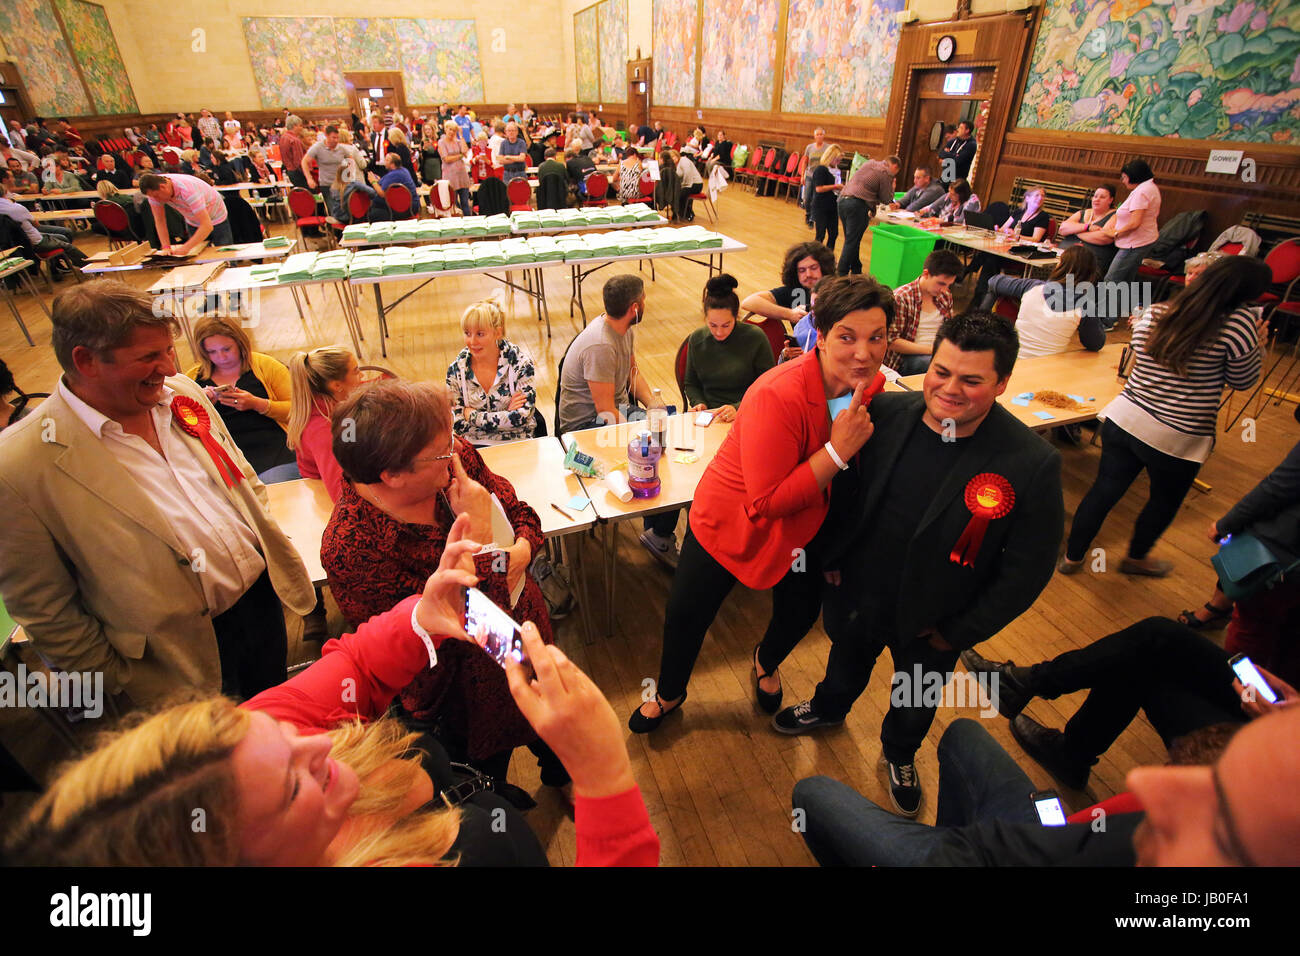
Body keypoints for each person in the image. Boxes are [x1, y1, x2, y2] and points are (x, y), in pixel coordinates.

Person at [6, 529, 660, 866]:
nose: (319, 741)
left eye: (283, 736)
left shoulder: (233, 752)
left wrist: (420, 615)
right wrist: (602, 775)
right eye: (296, 784)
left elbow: (349, 665)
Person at [774, 312, 1063, 818]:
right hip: (860, 594)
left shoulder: (1031, 462)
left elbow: (1027, 570)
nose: (949, 389)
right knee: (844, 662)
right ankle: (828, 708)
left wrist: (959, 632)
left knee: (916, 698)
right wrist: (834, 558)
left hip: (937, 619)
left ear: (1002, 383)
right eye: (941, 371)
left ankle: (901, 752)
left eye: (971, 380)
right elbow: (845, 490)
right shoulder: (884, 412)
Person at [0, 280, 315, 704]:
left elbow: (240, 477)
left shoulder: (181, 393)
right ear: (85, 361)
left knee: (276, 712)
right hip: (170, 661)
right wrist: (119, 680)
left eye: (168, 350)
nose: (169, 367)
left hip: (260, 605)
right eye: (149, 356)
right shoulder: (18, 465)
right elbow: (47, 609)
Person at [629, 275, 888, 733]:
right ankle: (670, 693)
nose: (863, 352)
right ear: (821, 336)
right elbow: (768, 501)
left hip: (805, 527)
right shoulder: (777, 392)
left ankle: (765, 661)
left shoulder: (868, 386)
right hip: (731, 518)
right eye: (847, 337)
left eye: (877, 338)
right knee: (688, 612)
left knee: (799, 612)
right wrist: (836, 452)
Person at [320, 381, 571, 788]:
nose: (455, 452)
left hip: (528, 634)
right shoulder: (352, 548)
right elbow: (429, 654)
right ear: (392, 475)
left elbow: (520, 510)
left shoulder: (448, 456)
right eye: (441, 451)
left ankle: (562, 778)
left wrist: (524, 548)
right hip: (467, 698)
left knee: (556, 729)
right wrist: (487, 542)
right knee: (486, 785)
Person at [792, 702, 1300, 866]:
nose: (1144, 780)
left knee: (812, 796)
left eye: (1220, 814)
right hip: (1054, 833)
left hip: (1017, 854)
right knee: (964, 734)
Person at [1061, 257, 1271, 578]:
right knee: (1163, 502)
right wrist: (1260, 346)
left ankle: (1073, 557)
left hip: (1125, 417)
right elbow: (1242, 381)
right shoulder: (1239, 323)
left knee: (1104, 490)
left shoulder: (1157, 311)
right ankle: (1136, 557)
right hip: (1176, 435)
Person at [960, 615, 1296, 790]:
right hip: (1284, 718)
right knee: (1159, 636)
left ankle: (1038, 704)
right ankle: (1029, 685)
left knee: (1140, 664)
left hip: (1276, 768)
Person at [557, 274, 680, 564]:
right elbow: (606, 413)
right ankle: (658, 531)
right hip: (588, 425)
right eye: (645, 301)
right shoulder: (600, 345)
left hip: (616, 413)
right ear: (635, 308)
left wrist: (653, 406)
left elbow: (632, 374)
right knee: (660, 449)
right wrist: (644, 432)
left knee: (669, 423)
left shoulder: (624, 329)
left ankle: (655, 522)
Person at [184, 316, 297, 479]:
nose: (221, 357)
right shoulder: (193, 378)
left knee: (272, 486)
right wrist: (202, 406)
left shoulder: (267, 366)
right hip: (225, 459)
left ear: (240, 343)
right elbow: (182, 425)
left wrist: (259, 404)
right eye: (212, 352)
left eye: (227, 349)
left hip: (275, 452)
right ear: (203, 352)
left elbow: (299, 410)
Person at [446, 293, 539, 444]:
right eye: (467, 333)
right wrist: (506, 414)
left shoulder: (521, 365)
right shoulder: (456, 370)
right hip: (473, 445)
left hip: (516, 442)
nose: (472, 341)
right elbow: (457, 423)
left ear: (498, 333)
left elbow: (522, 417)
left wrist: (472, 415)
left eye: (480, 334)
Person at [682, 274, 775, 422]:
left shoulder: (755, 338)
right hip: (711, 415)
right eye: (712, 325)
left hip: (749, 412)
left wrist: (738, 407)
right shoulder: (697, 339)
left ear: (737, 316)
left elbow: (766, 385)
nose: (719, 332)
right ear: (705, 318)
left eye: (726, 325)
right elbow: (691, 383)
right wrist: (699, 402)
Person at [286, 345, 363, 502]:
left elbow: (351, 444)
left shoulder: (339, 404)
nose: (362, 375)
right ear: (336, 385)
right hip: (330, 494)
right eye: (356, 371)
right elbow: (343, 495)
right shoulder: (323, 433)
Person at [1013, 245, 1107, 358]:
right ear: (1091, 274)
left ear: (1060, 265)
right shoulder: (1085, 305)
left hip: (1014, 362)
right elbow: (1095, 344)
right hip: (1050, 369)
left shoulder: (1031, 286)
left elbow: (994, 281)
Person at [1100, 159, 1162, 320]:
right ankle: (1114, 317)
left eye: (1124, 177)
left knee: (1112, 280)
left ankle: (1106, 320)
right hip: (1140, 240)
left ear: (1133, 176)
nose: (1123, 180)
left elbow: (1135, 222)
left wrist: (1115, 232)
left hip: (1135, 243)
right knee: (1126, 279)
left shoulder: (1143, 192)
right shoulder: (1148, 188)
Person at [882, 249, 961, 374]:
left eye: (948, 285)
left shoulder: (945, 296)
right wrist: (931, 350)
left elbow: (949, 329)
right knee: (938, 366)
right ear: (926, 274)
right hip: (906, 358)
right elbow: (891, 341)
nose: (944, 289)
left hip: (938, 351)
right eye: (940, 283)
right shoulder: (901, 297)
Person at [970, 186, 1050, 301]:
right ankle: (982, 294)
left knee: (990, 257)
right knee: (989, 255)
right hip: (1006, 248)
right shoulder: (1019, 212)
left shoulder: (1043, 217)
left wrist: (1016, 236)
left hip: (1021, 252)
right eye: (1037, 195)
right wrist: (997, 229)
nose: (1040, 198)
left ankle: (979, 293)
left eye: (1043, 196)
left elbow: (1036, 239)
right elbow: (1003, 229)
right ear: (1027, 198)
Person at [740, 241, 835, 338]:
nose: (808, 274)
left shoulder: (838, 289)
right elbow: (749, 302)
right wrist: (790, 314)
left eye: (813, 268)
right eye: (802, 270)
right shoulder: (795, 291)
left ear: (824, 267)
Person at [0, 169, 88, 269]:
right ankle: (87, 266)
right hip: (33, 240)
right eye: (11, 176)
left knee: (63, 237)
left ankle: (56, 265)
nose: (13, 178)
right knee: (67, 243)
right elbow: (36, 224)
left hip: (18, 242)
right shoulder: (15, 207)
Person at [139, 171, 232, 254]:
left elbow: (207, 226)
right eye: (151, 197)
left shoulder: (188, 191)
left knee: (225, 253)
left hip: (216, 215)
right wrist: (166, 247)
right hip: (193, 220)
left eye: (156, 196)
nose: (155, 199)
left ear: (162, 187)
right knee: (198, 257)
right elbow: (160, 221)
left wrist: (186, 247)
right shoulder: (154, 192)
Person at [837, 155, 900, 276]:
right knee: (852, 241)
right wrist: (893, 187)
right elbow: (886, 199)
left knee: (851, 240)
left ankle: (856, 269)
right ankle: (841, 274)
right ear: (895, 166)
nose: (894, 175)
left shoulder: (870, 163)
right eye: (896, 172)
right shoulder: (886, 173)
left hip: (842, 200)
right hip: (857, 205)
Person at [1055, 184, 1118, 274]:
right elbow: (1063, 229)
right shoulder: (1082, 212)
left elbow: (1104, 238)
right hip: (1064, 257)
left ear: (1110, 200)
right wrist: (1087, 227)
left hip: (1090, 263)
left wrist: (1075, 230)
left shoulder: (1115, 216)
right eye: (1095, 196)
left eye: (1102, 197)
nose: (1097, 199)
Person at [809, 144, 843, 251]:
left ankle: (828, 257)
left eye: (839, 160)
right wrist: (835, 186)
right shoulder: (821, 169)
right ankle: (816, 256)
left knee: (834, 234)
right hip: (821, 206)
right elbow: (819, 188)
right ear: (830, 157)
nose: (838, 163)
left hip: (833, 205)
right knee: (821, 235)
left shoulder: (836, 171)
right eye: (836, 160)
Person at [438, 119, 474, 217]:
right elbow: (446, 159)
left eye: (454, 130)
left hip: (462, 175)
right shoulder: (441, 142)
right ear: (445, 129)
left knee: (465, 203)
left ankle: (469, 223)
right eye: (450, 129)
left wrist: (461, 135)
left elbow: (465, 151)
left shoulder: (458, 141)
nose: (452, 132)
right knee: (452, 204)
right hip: (450, 176)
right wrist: (460, 156)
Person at [802, 127, 827, 226]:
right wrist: (802, 175)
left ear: (824, 136)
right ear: (814, 136)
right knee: (807, 198)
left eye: (821, 134)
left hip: (820, 177)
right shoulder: (809, 147)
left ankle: (812, 218)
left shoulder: (827, 147)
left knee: (816, 199)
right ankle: (808, 214)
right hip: (809, 175)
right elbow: (805, 161)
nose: (819, 136)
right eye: (818, 134)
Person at [675, 148, 703, 221]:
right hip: (689, 184)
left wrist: (683, 185)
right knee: (677, 193)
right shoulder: (677, 164)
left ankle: (688, 213)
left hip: (696, 184)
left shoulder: (683, 160)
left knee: (680, 194)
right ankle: (682, 213)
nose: (672, 158)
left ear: (677, 155)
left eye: (673, 156)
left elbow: (688, 174)